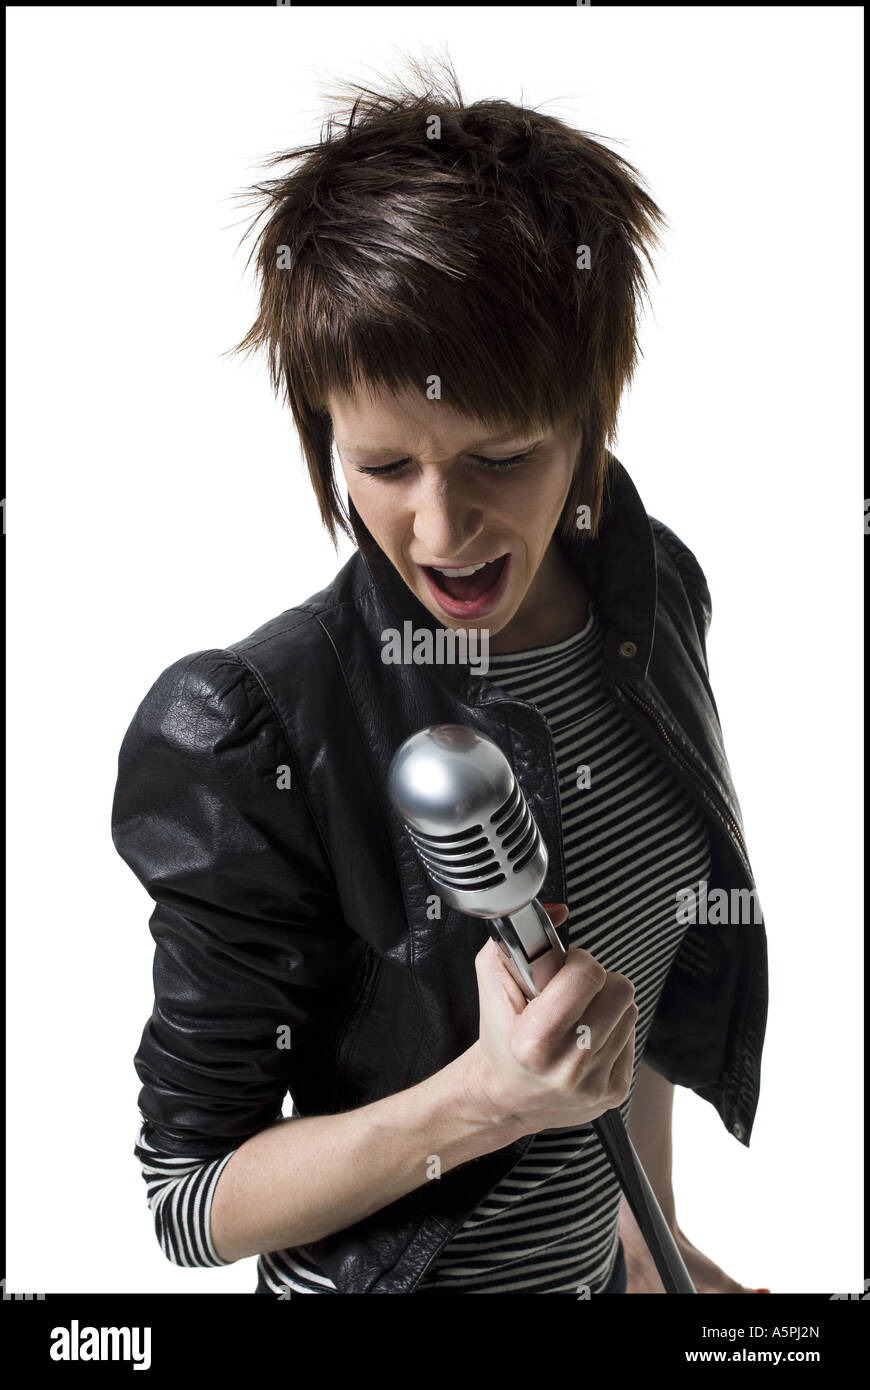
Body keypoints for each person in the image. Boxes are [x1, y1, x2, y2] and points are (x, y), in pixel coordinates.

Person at [111, 56, 769, 1296]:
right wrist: (483, 1100)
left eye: (503, 455)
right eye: (383, 466)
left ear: (592, 412)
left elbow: (643, 984)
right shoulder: (246, 726)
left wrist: (648, 1248)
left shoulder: (651, 594)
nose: (441, 528)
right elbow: (190, 1202)